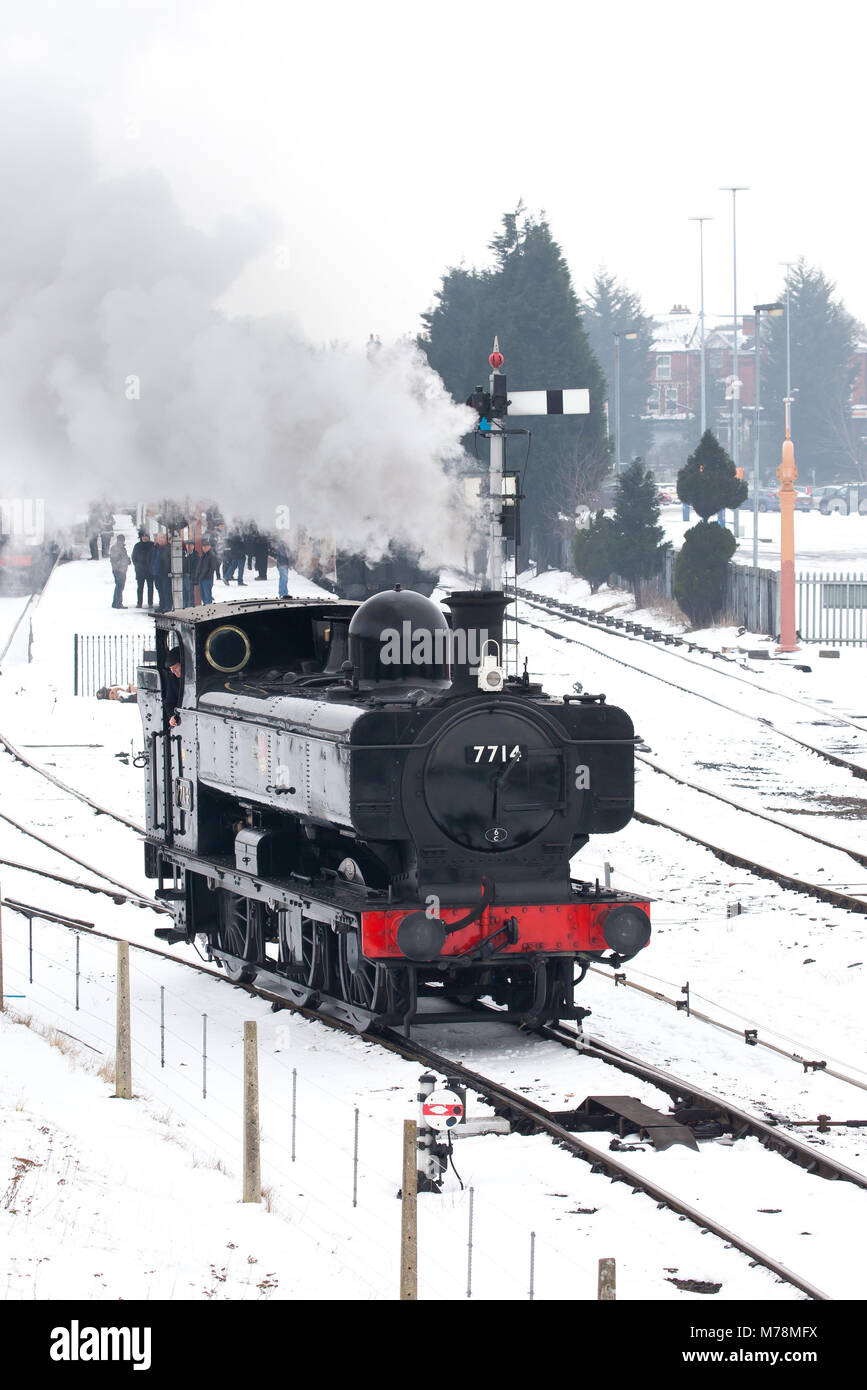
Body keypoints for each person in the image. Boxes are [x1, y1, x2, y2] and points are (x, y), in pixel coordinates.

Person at [131, 530, 155, 608]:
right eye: (143, 536)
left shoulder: (152, 545)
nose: (144, 538)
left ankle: (150, 602)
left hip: (150, 570)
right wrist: (137, 566)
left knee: (150, 587)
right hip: (140, 571)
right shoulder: (137, 546)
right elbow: (133, 557)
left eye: (146, 536)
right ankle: (139, 602)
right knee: (140, 588)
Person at [153, 533, 173, 612]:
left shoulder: (168, 548)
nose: (161, 539)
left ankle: (168, 606)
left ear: (166, 539)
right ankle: (162, 605)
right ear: (157, 539)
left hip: (165, 573)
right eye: (159, 538)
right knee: (160, 590)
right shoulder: (155, 548)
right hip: (156, 573)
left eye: (162, 538)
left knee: (166, 590)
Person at [109, 534, 130, 609]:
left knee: (119, 586)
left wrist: (128, 561)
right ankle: (118, 603)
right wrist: (121, 565)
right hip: (119, 570)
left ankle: (115, 603)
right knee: (119, 587)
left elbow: (124, 557)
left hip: (121, 570)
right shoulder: (116, 548)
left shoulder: (121, 548)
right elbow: (114, 559)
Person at [197, 538, 219, 605]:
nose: (204, 548)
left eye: (206, 546)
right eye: (203, 546)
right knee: (203, 596)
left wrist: (206, 575)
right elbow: (200, 567)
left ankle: (208, 608)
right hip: (202, 578)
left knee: (207, 597)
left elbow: (212, 568)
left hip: (207, 579)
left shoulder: (212, 556)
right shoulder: (204, 555)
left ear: (209, 547)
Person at [163, 654, 182, 727]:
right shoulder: (172, 678)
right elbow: (169, 701)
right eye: (171, 668)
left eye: (175, 667)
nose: (173, 671)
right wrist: (172, 716)